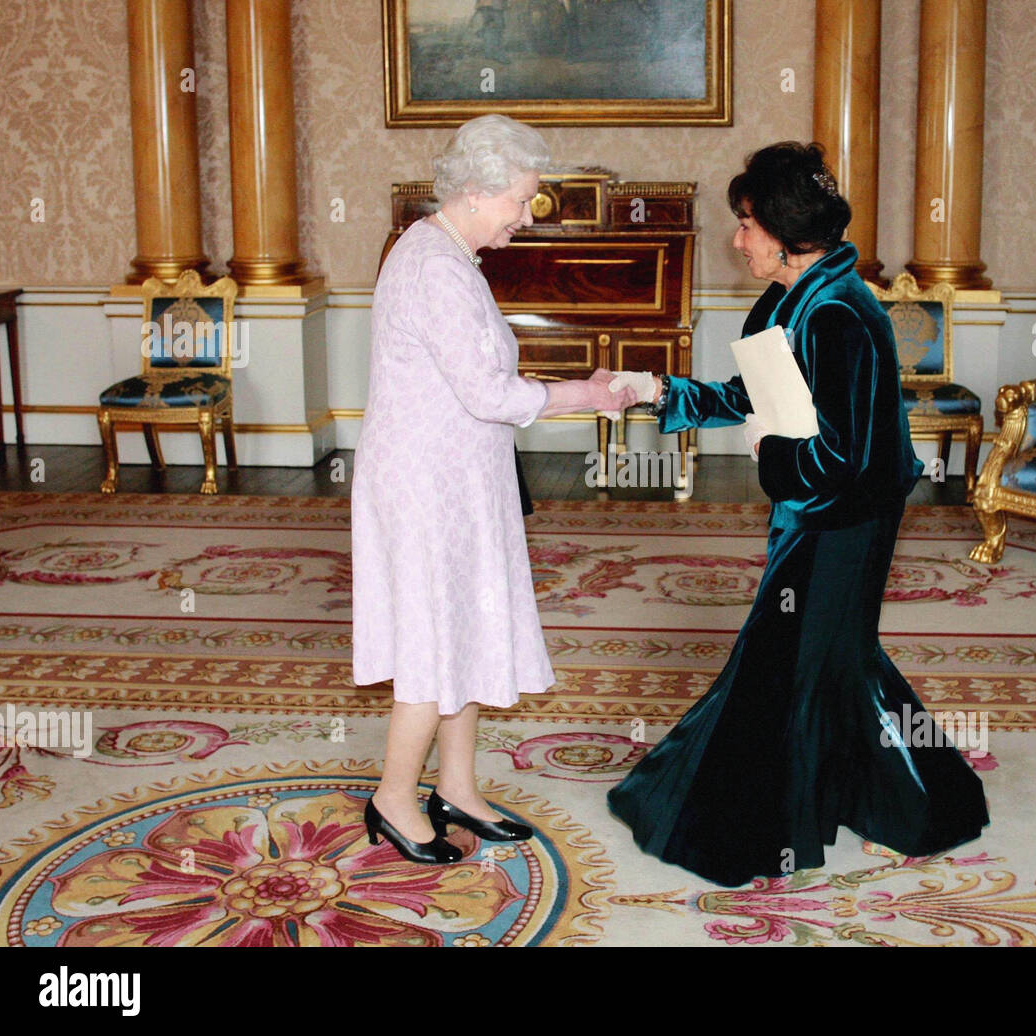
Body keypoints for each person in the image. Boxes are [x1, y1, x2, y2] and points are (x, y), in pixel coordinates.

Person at [605, 142, 990, 887]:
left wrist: (770, 454)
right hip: (816, 514)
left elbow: (841, 459)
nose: (738, 239)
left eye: (746, 224)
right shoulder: (794, 296)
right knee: (825, 661)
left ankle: (786, 823)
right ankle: (892, 794)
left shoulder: (839, 314)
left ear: (784, 232)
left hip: (843, 521)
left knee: (790, 666)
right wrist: (658, 391)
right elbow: (750, 396)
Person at [353, 114, 637, 863]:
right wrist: (586, 393)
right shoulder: (434, 267)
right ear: (477, 192)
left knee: (466, 628)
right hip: (424, 486)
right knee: (429, 638)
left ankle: (457, 789)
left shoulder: (447, 254)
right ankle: (391, 797)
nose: (524, 216)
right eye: (520, 200)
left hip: (458, 479)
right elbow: (490, 393)